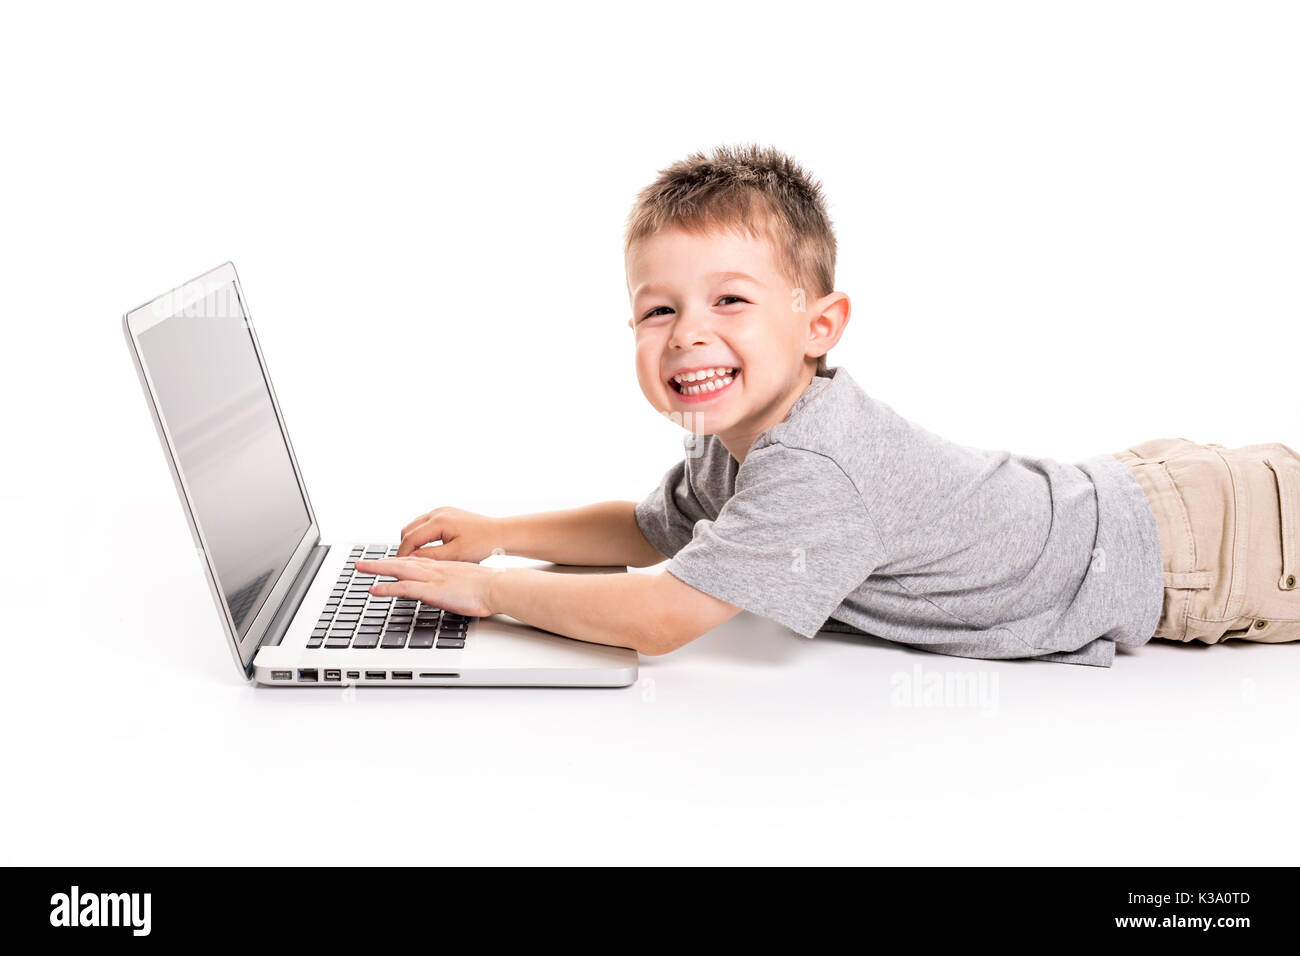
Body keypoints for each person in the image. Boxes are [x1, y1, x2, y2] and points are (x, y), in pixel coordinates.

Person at [357, 145, 1300, 667]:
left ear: (821, 325)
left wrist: (486, 593)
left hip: (1205, 550)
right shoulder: (738, 441)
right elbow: (654, 532)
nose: (688, 333)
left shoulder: (812, 466)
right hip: (1142, 499)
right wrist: (501, 531)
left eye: (730, 300)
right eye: (658, 309)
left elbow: (659, 617)